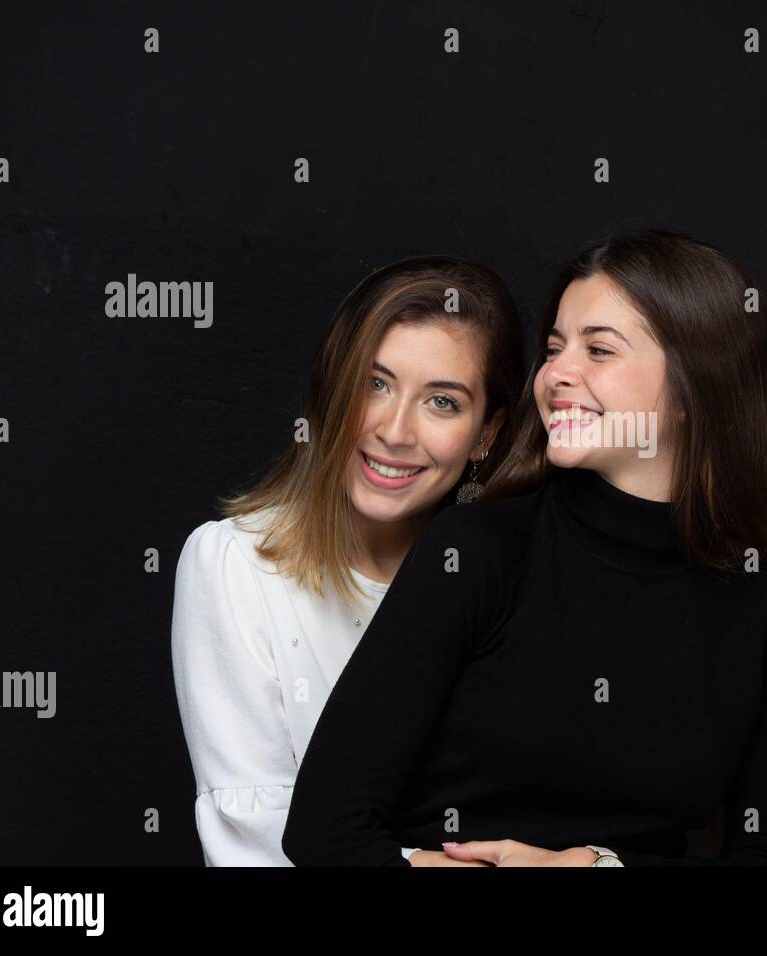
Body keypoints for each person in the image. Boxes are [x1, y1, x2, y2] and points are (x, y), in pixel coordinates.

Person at [283, 229, 767, 866]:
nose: (556, 374)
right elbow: (326, 825)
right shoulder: (476, 551)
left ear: (697, 385)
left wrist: (599, 865)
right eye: (553, 347)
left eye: (598, 350)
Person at [170, 256, 524, 865]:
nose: (395, 430)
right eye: (375, 383)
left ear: (486, 434)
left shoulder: (501, 579)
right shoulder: (235, 564)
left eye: (442, 402)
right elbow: (254, 843)